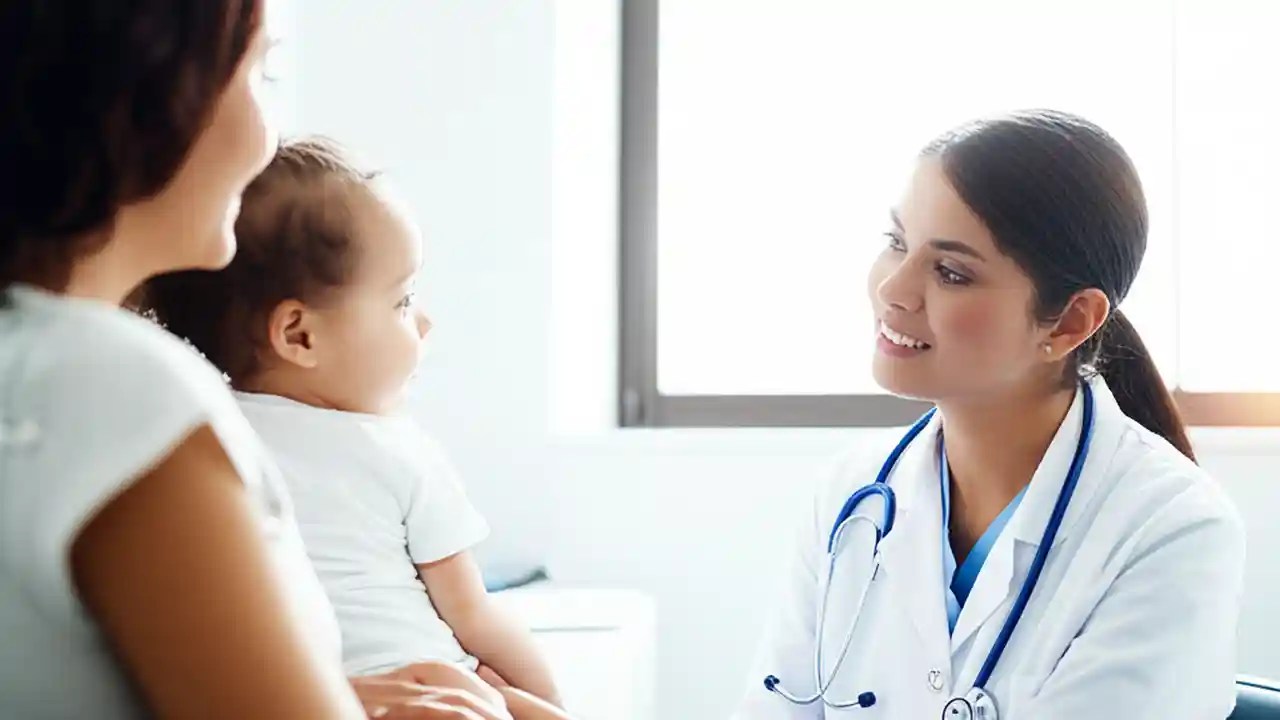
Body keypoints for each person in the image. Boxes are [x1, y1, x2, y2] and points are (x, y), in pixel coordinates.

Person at [0, 2, 516, 717]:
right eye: (261, 73)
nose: (267, 136)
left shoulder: (28, 356)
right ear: (151, 94)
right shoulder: (117, 388)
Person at [734, 109, 1245, 719]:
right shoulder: (853, 497)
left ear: (1070, 321)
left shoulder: (1171, 529)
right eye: (897, 242)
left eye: (951, 272)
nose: (893, 288)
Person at [143, 136, 562, 709]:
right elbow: (473, 614)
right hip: (434, 692)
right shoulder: (397, 449)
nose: (424, 322)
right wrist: (545, 704)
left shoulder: (194, 437)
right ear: (300, 335)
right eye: (402, 301)